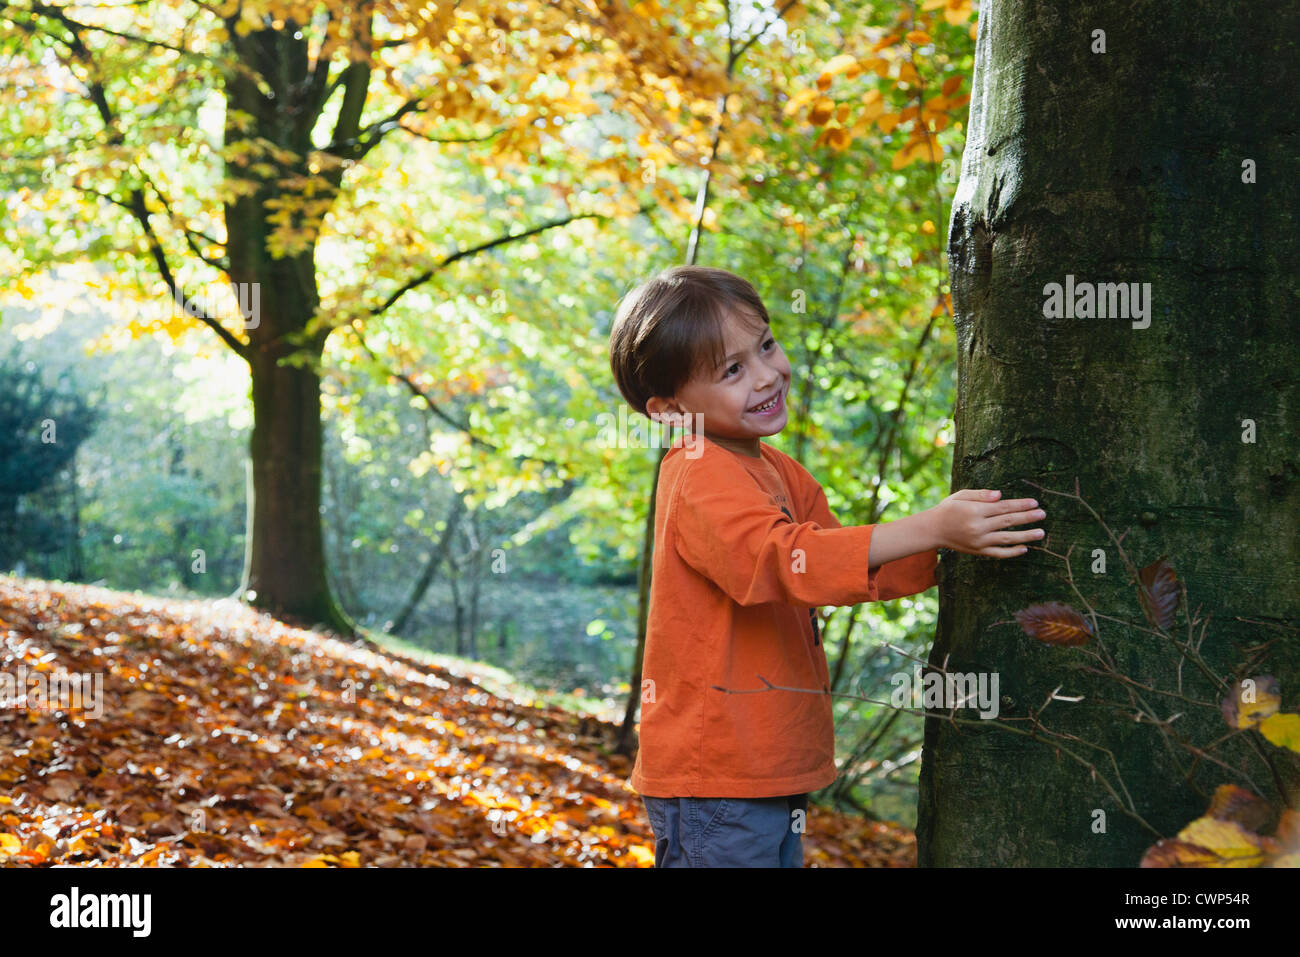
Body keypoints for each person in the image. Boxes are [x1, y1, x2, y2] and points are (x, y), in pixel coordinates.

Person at [607, 265, 1046, 867]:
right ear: (671, 410)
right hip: (716, 771)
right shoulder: (698, 470)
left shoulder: (778, 470)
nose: (767, 375)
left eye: (766, 346)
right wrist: (930, 526)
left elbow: (845, 565)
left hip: (766, 764)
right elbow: (782, 561)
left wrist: (950, 550)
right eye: (733, 370)